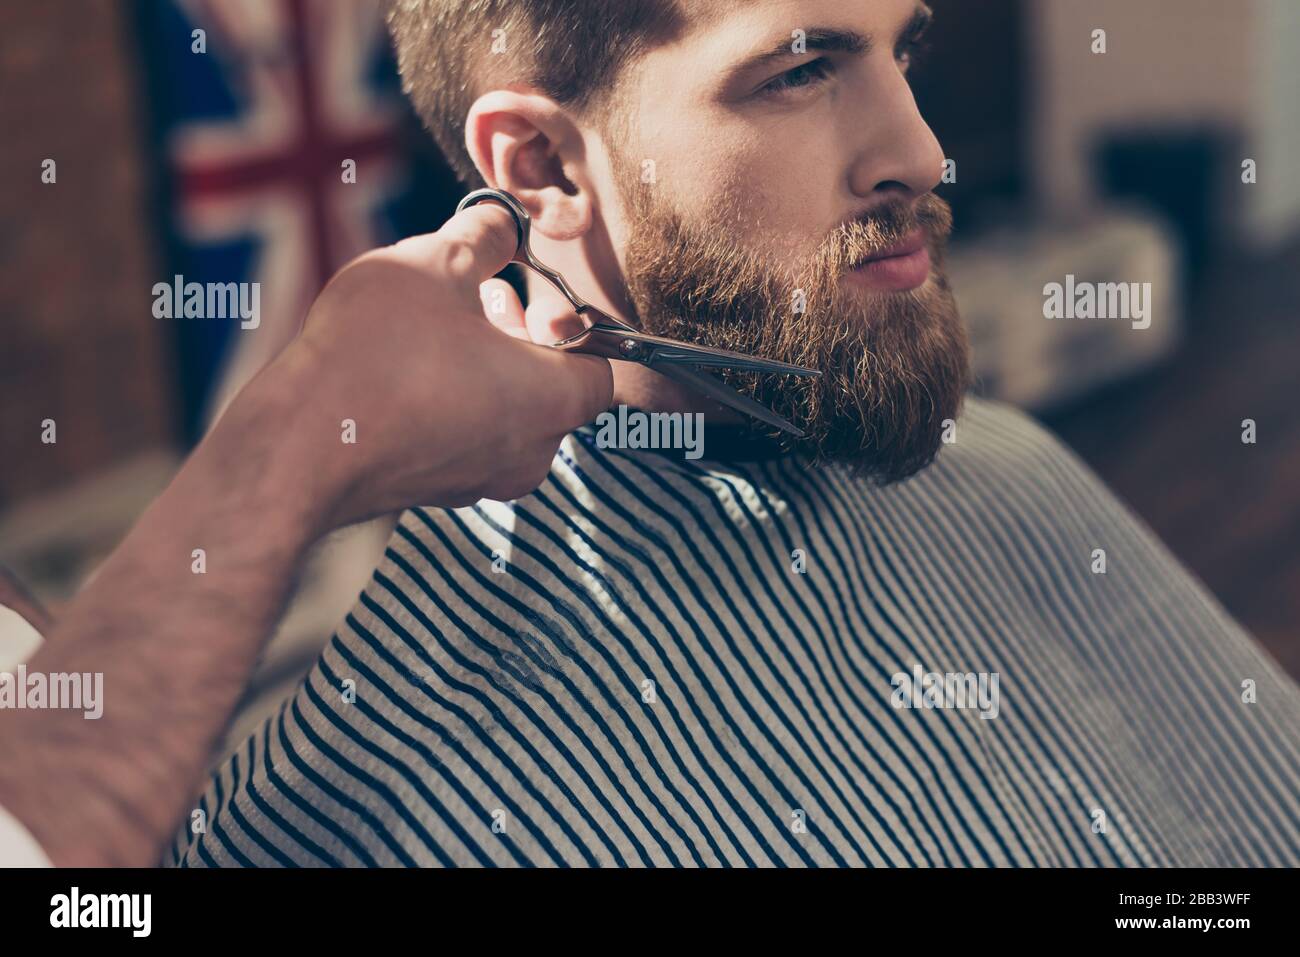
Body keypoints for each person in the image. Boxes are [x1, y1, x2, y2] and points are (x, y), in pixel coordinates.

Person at [3, 0, 1298, 867]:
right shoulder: (397, 785)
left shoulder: (1007, 468)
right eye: (799, 73)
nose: (922, 150)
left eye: (902, 49)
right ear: (546, 171)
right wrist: (289, 441)